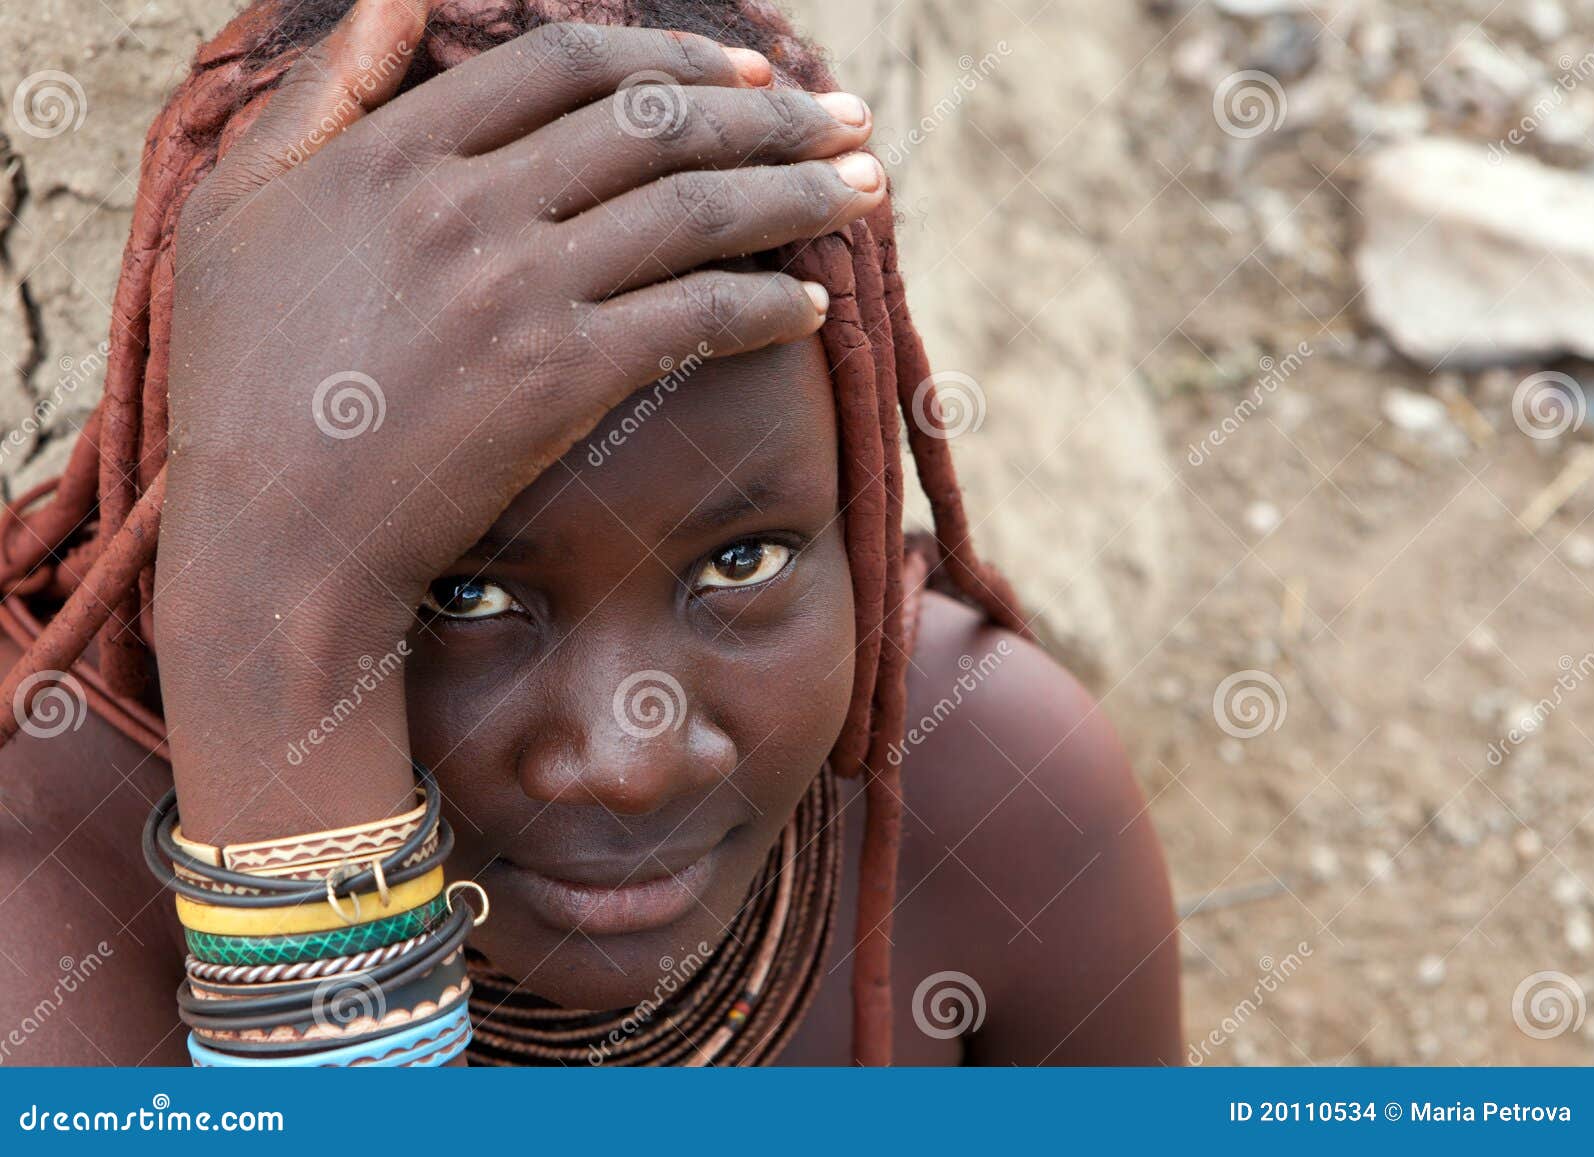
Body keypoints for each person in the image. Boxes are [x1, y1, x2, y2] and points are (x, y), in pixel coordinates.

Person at [0, 0, 1180, 1066]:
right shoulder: (46, 911)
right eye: (461, 597)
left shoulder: (997, 798)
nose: (631, 758)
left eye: (743, 560)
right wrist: (280, 623)